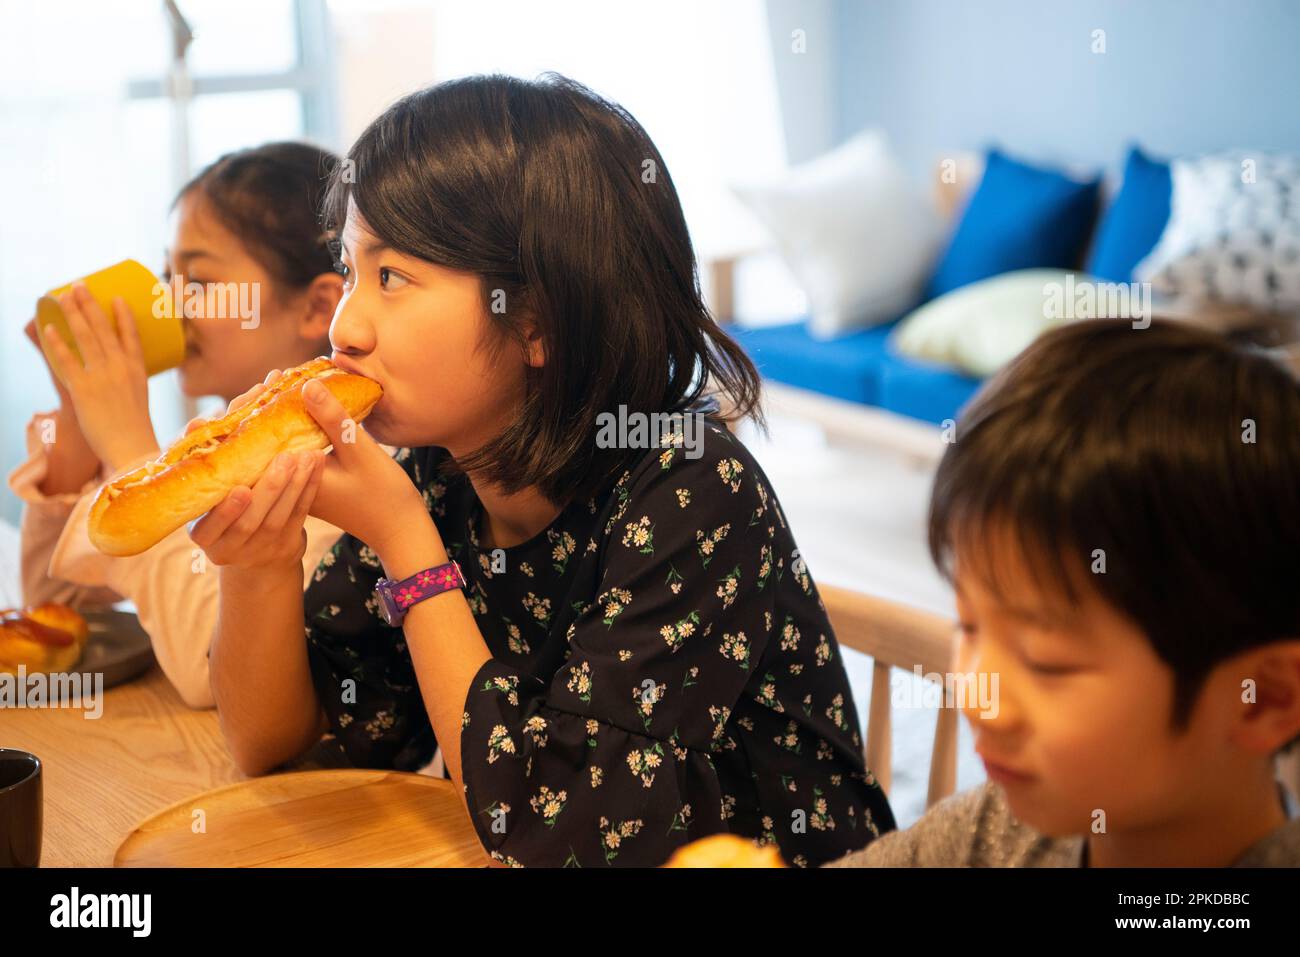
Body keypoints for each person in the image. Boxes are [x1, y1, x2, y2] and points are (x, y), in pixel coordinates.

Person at [195, 73, 895, 867]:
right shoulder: (439, 470)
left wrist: (406, 543)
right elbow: (279, 747)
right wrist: (254, 566)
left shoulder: (692, 489)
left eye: (391, 278)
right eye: (351, 272)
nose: (344, 326)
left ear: (535, 320)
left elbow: (558, 835)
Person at [827, 319, 1300, 867]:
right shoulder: (997, 829)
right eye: (969, 625)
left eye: (1046, 661)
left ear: (1265, 698)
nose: (979, 702)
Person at [9, 142, 346, 708]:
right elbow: (58, 605)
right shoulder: (214, 437)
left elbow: (206, 673)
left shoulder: (336, 458)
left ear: (318, 309)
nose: (170, 305)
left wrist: (128, 450)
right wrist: (76, 413)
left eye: (202, 284)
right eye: (168, 277)